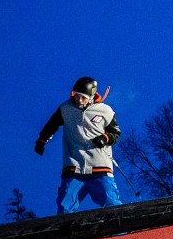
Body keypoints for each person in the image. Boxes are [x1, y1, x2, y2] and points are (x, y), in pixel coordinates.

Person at [35, 76, 122, 215]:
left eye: (83, 97)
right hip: (73, 166)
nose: (78, 100)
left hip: (99, 167)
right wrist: (41, 141)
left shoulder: (105, 111)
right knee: (65, 207)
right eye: (76, 95)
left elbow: (115, 133)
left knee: (112, 204)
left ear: (92, 96)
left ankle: (121, 230)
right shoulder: (66, 109)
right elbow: (52, 125)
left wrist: (104, 138)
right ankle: (65, 234)